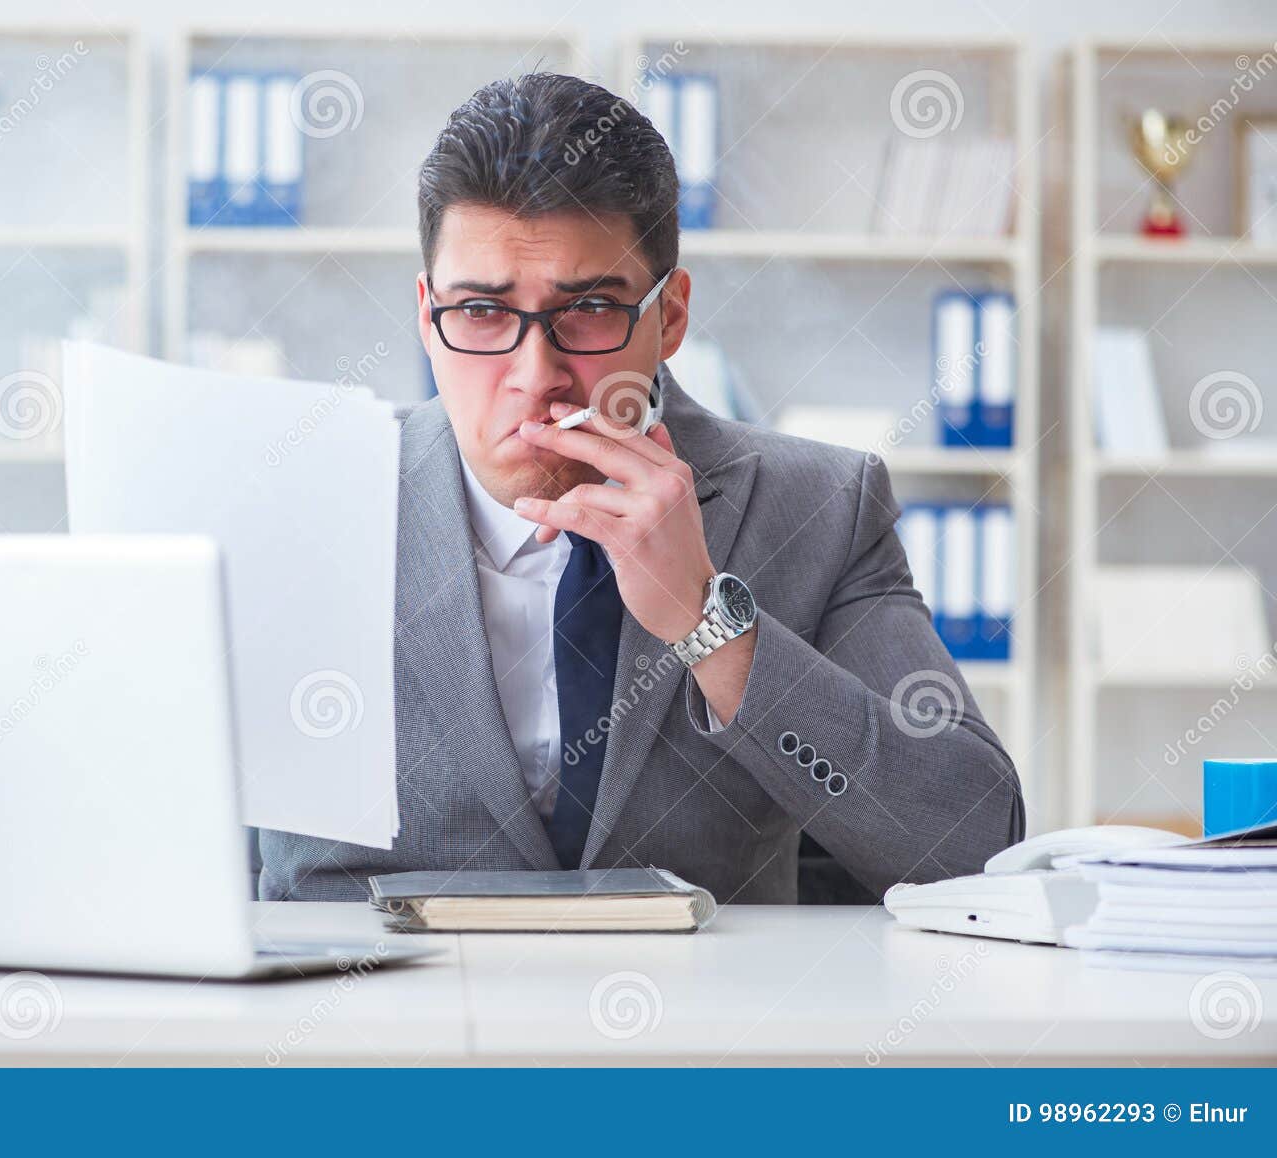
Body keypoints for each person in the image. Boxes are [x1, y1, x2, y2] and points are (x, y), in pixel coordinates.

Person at [259, 72, 1023, 902]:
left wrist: (710, 623)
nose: (533, 374)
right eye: (481, 310)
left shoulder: (818, 507)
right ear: (426, 313)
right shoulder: (294, 502)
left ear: (671, 316)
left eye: (586, 307)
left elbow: (973, 845)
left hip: (695, 1027)